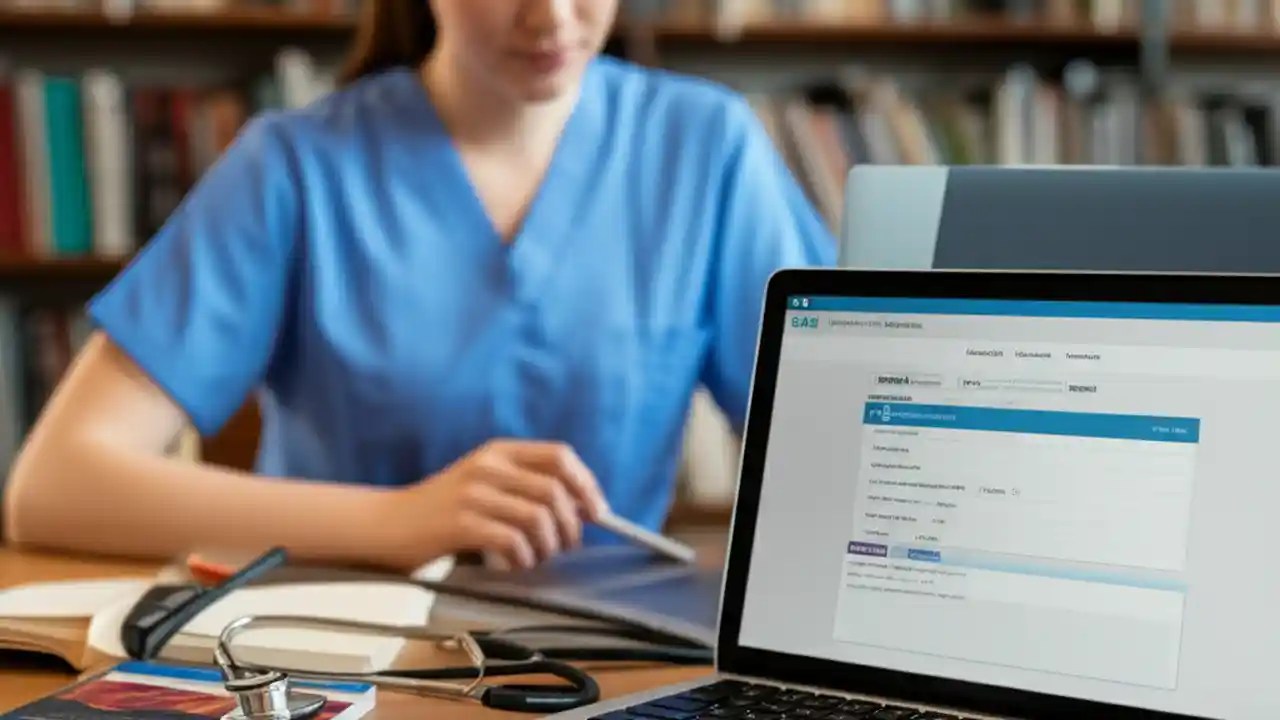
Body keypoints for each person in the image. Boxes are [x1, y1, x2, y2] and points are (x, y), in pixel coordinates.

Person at [4, 0, 833, 572]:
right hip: (338, 657)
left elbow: (834, 454)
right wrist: (401, 521)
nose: (551, 17)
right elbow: (55, 488)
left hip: (621, 673)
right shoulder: (294, 166)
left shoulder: (707, 148)